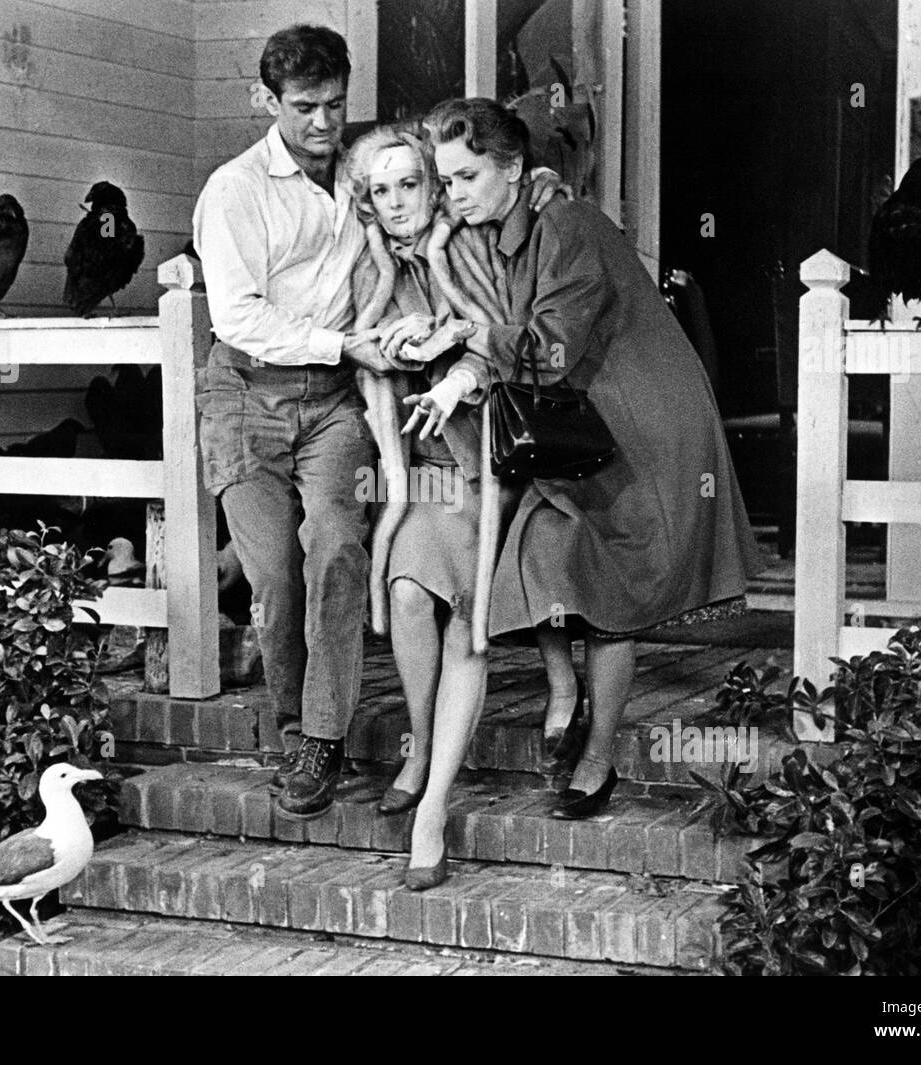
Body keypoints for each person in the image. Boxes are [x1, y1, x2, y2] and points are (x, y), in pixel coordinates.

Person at [422, 97, 764, 819]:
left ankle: (600, 756)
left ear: (512, 168)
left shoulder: (566, 223)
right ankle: (566, 691)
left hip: (643, 428)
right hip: (588, 422)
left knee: (611, 599)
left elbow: (551, 346)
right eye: (445, 179)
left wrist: (468, 336)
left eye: (465, 176)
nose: (451, 194)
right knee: (545, 555)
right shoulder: (518, 228)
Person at [191, 25, 390, 820]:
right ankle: (291, 723)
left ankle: (320, 738)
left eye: (335, 105)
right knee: (272, 577)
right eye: (303, 107)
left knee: (338, 544)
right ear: (267, 101)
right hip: (245, 395)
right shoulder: (235, 190)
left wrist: (538, 181)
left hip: (335, 398)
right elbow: (237, 316)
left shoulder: (363, 171)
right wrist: (340, 339)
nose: (322, 123)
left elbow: (449, 171)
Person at [345, 124, 506, 889]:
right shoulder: (371, 269)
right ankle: (420, 736)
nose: (399, 201)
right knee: (407, 595)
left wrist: (447, 341)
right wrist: (388, 340)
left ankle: (433, 808)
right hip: (418, 476)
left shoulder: (465, 247)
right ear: (368, 203)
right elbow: (358, 355)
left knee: (466, 625)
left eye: (411, 183)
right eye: (382, 190)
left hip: (485, 472)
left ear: (433, 186)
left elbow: (502, 340)